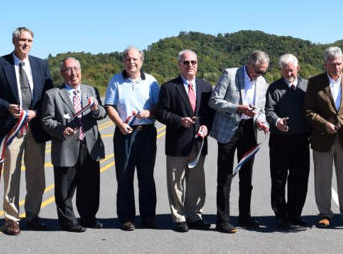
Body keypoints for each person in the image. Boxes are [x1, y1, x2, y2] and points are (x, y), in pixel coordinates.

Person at [0, 27, 54, 235]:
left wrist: (36, 112)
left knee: (36, 176)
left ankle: (32, 215)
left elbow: (48, 96)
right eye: (22, 40)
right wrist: (6, 107)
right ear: (14, 41)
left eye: (29, 40)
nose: (26, 44)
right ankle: (12, 219)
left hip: (35, 128)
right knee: (11, 175)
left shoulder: (41, 65)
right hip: (11, 129)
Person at [41, 57, 107, 232]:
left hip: (90, 145)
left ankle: (89, 218)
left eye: (76, 69)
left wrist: (95, 109)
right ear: (62, 73)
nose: (73, 73)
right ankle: (68, 221)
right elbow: (46, 120)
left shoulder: (90, 90)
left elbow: (101, 113)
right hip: (66, 146)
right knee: (65, 189)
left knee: (90, 186)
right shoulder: (53, 94)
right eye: (69, 70)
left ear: (81, 71)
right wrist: (61, 129)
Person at [210, 51, 270, 233]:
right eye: (258, 71)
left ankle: (245, 216)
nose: (259, 75)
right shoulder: (230, 74)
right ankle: (223, 220)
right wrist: (237, 108)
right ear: (249, 64)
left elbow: (261, 109)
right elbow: (214, 101)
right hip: (229, 131)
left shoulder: (262, 83)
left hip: (249, 131)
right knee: (225, 177)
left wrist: (262, 121)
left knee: (247, 178)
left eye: (263, 72)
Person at [155, 49, 214, 232]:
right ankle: (179, 217)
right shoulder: (169, 87)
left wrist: (206, 127)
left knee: (197, 183)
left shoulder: (205, 86)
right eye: (186, 62)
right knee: (176, 183)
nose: (190, 66)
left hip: (198, 142)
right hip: (177, 143)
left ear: (197, 64)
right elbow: (161, 113)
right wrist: (179, 120)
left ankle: (195, 215)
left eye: (193, 62)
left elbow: (209, 113)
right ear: (179, 64)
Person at [304, 46, 343, 228]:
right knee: (322, 178)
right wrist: (324, 124)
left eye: (339, 63)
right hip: (323, 138)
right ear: (325, 64)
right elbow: (308, 111)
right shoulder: (314, 82)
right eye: (333, 64)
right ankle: (325, 213)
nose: (337, 67)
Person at [104, 47, 160, 231]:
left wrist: (150, 112)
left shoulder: (151, 81)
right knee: (125, 176)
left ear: (141, 61)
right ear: (123, 61)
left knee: (146, 176)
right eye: (127, 59)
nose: (131, 62)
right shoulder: (116, 80)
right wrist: (120, 124)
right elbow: (109, 106)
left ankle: (148, 216)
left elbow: (159, 106)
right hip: (124, 133)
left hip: (147, 133)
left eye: (135, 59)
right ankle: (127, 218)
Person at [265, 54, 311, 229]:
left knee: (299, 179)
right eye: (285, 70)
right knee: (279, 179)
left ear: (297, 68)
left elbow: (313, 110)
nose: (288, 72)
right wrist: (277, 121)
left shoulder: (307, 86)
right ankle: (281, 215)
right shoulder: (274, 88)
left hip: (301, 140)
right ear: (281, 70)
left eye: (291, 69)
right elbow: (269, 110)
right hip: (279, 140)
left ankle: (295, 214)